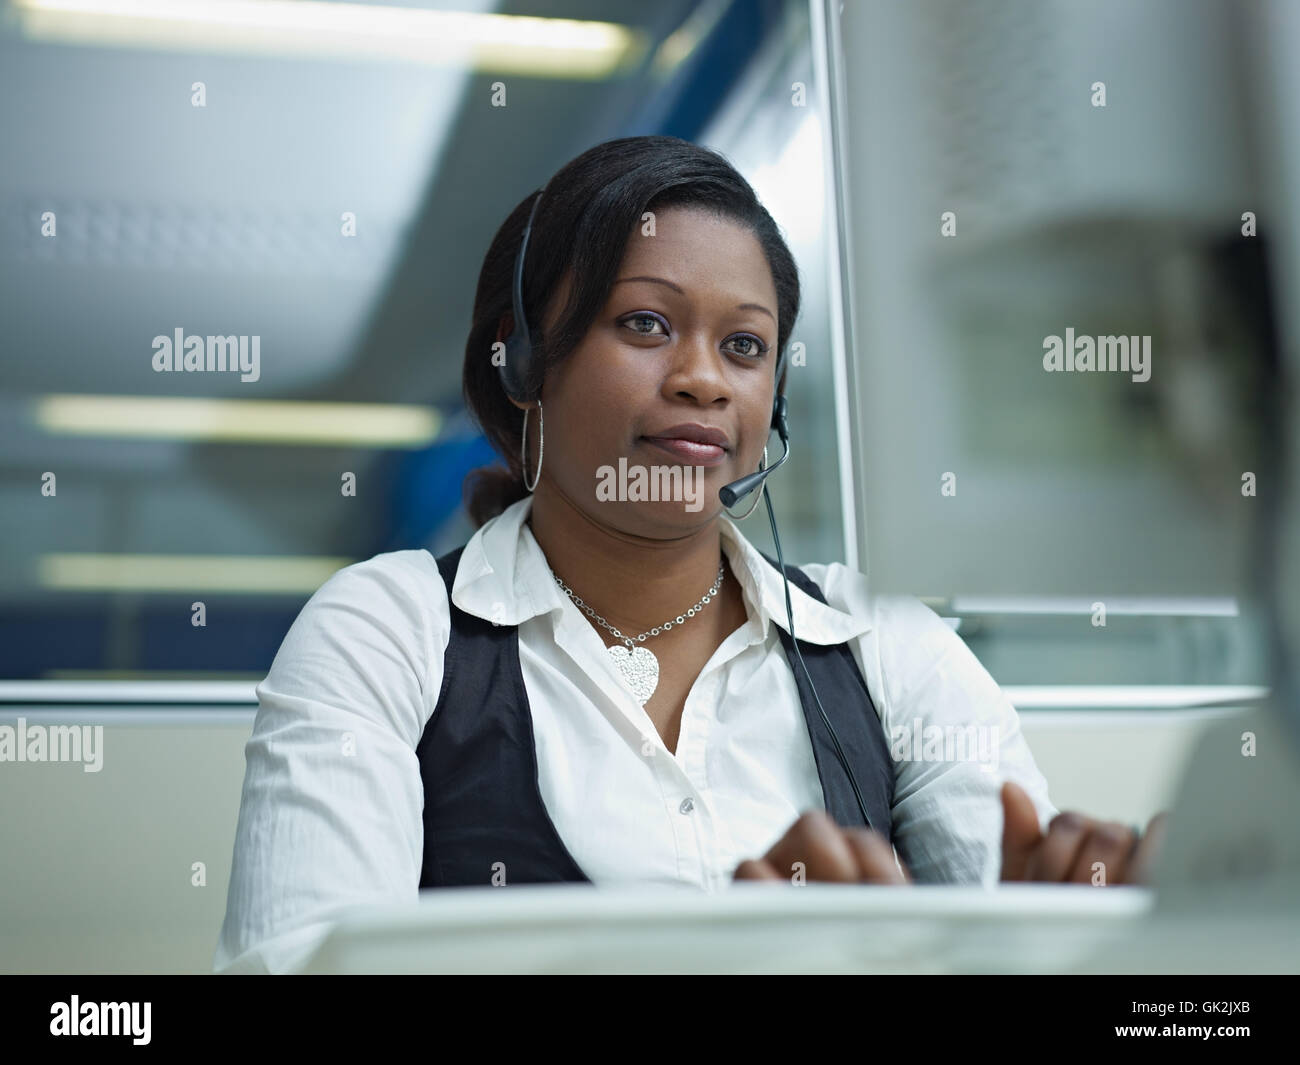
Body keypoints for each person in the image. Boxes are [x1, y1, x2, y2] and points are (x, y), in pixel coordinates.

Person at [214, 135, 1165, 974]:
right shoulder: (388, 631)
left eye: (745, 345)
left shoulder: (888, 643)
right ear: (524, 360)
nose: (704, 378)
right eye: (646, 324)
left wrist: (1091, 949)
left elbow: (1009, 941)